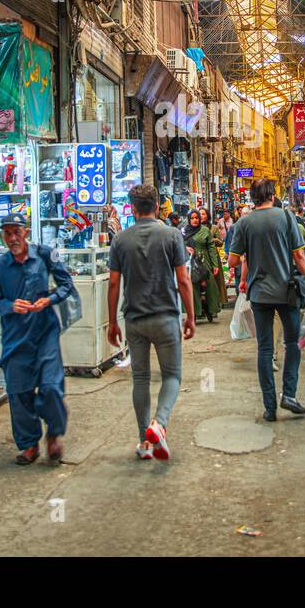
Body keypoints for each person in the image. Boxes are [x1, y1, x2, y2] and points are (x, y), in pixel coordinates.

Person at [108, 184, 195, 461]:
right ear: (157, 206)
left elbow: (113, 283)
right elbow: (183, 279)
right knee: (171, 375)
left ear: (132, 209)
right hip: (166, 317)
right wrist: (190, 316)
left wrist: (112, 322)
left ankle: (144, 442)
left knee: (141, 379)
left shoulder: (120, 240)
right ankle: (159, 425)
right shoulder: (171, 235)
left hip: (134, 319)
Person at [0, 213, 76, 465]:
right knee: (19, 391)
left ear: (26, 232)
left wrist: (50, 299)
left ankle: (54, 435)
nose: (12, 238)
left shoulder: (44, 255)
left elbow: (67, 284)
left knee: (51, 387)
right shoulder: (1, 266)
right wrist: (10, 305)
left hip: (45, 332)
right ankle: (29, 444)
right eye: (7, 233)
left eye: (17, 232)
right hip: (15, 337)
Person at [227, 178, 305, 421]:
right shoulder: (286, 218)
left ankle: (270, 407)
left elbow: (233, 260)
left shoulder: (244, 223)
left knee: (264, 349)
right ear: (272, 196)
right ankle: (290, 395)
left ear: (253, 198)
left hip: (260, 294)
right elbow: (299, 255)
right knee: (292, 343)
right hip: (288, 290)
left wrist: (249, 256)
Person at [184, 209, 223, 322]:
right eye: (192, 218)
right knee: (193, 288)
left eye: (197, 218)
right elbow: (178, 244)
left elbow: (211, 248)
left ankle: (211, 309)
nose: (195, 220)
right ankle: (195, 313)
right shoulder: (184, 231)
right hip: (190, 263)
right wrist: (185, 247)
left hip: (204, 262)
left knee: (210, 287)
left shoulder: (205, 230)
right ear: (189, 219)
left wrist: (215, 265)